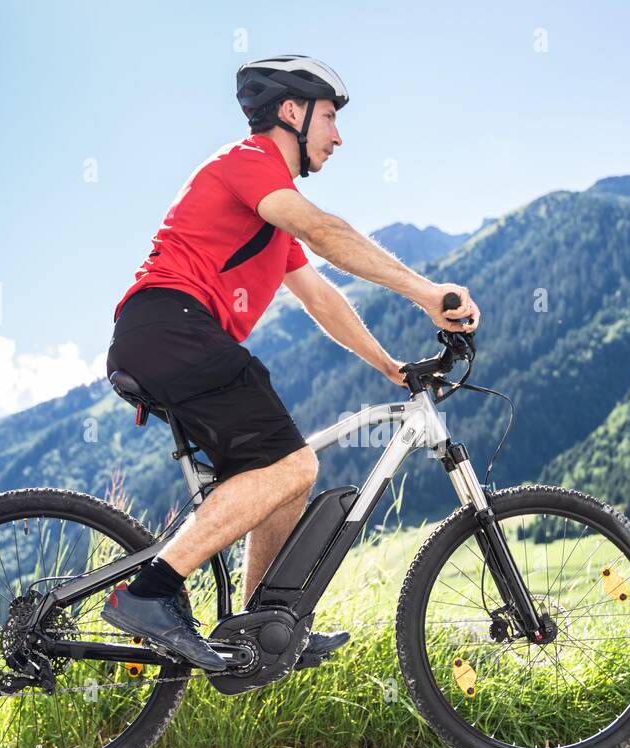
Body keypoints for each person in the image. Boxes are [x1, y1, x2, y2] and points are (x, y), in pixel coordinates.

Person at [102, 55, 481, 671]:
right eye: (330, 118)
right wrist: (427, 291)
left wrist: (389, 366)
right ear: (290, 112)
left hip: (172, 337)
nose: (339, 136)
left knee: (280, 475)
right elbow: (326, 230)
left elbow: (322, 298)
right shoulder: (248, 165)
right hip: (172, 328)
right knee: (294, 462)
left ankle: (258, 629)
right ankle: (153, 592)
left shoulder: (270, 223)